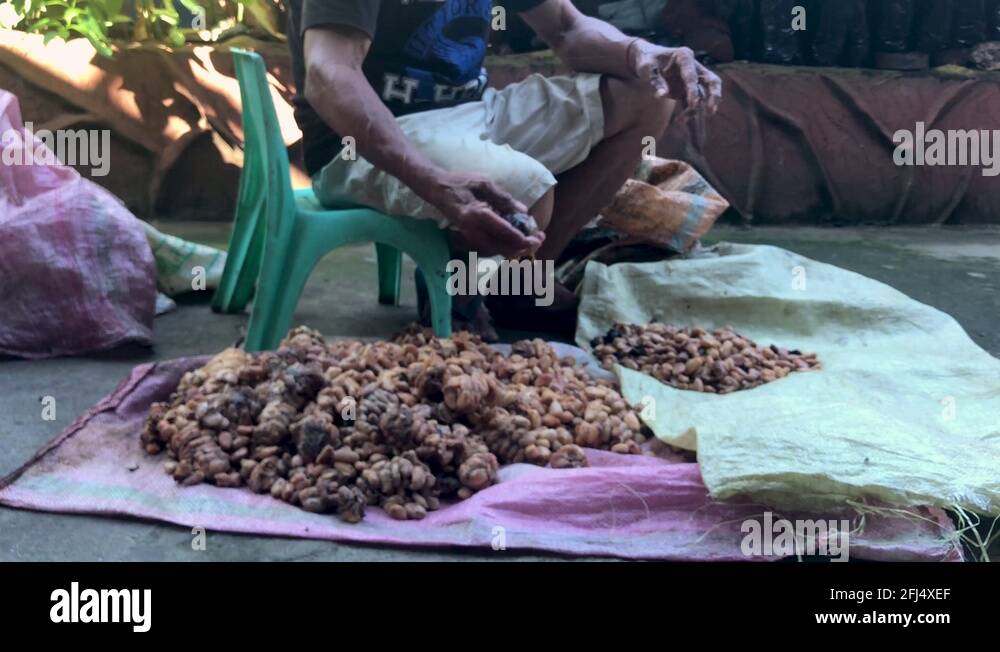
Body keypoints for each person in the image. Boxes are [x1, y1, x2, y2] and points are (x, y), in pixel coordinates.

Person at [287, 0, 722, 338]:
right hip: (362, 140)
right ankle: (459, 277)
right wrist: (435, 182)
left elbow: (568, 28)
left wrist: (640, 52)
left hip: (472, 111)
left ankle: (518, 285)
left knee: (650, 95)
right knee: (523, 192)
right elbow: (329, 74)